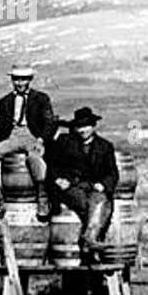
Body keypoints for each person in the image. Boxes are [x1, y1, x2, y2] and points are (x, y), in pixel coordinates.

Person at [0, 64, 56, 221]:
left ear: (30, 80)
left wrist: (41, 140)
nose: (20, 83)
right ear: (12, 80)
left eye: (23, 79)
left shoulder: (41, 99)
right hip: (12, 136)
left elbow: (49, 123)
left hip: (32, 135)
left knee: (35, 158)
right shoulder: (5, 101)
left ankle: (42, 197)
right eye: (16, 79)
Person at [48, 106, 119, 263]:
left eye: (86, 126)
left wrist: (104, 184)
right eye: (79, 127)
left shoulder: (105, 146)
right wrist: (58, 179)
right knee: (84, 202)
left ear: (94, 126)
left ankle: (89, 238)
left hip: (93, 186)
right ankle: (90, 241)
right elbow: (51, 164)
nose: (82, 130)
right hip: (70, 187)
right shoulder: (65, 142)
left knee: (102, 201)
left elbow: (113, 173)